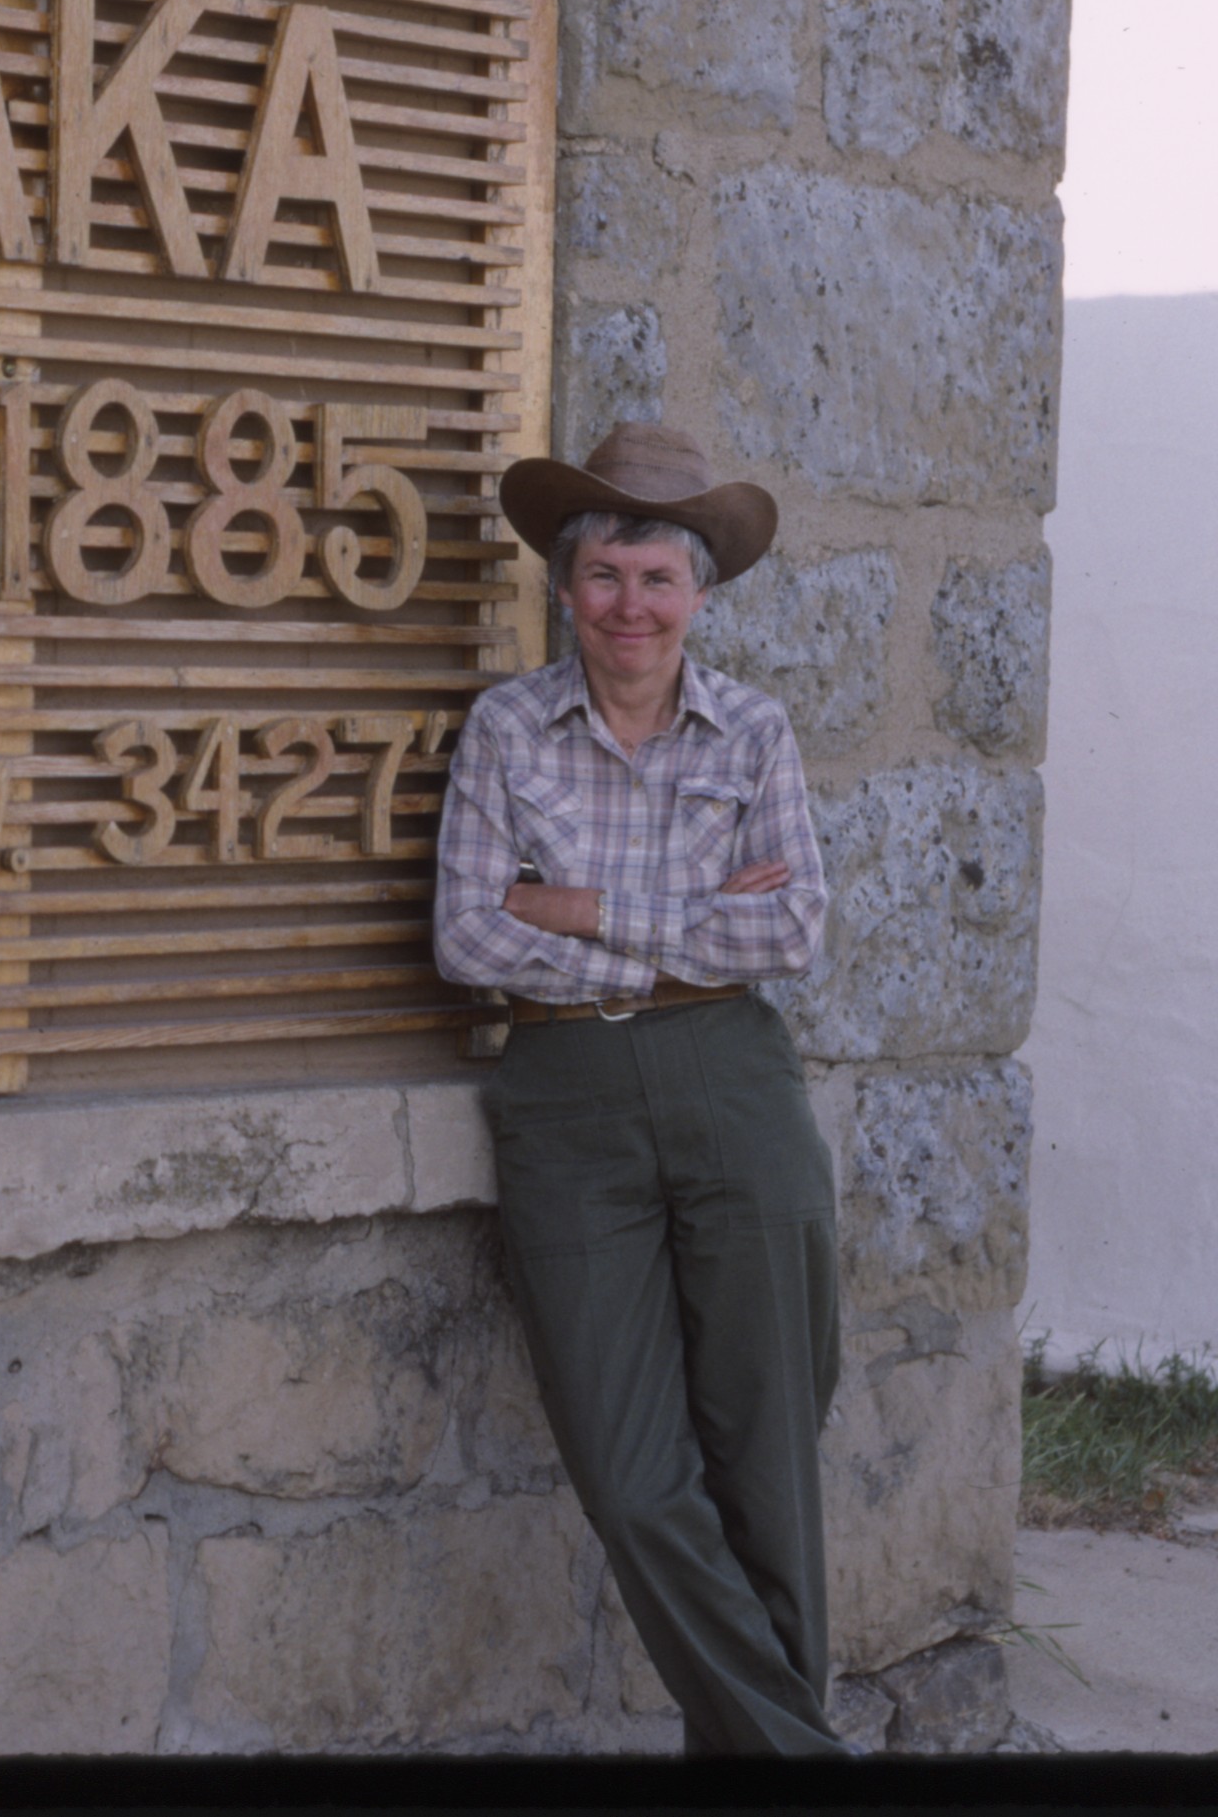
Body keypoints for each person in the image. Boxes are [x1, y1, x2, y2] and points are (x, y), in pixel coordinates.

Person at [432, 419, 846, 1758]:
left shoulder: (755, 732)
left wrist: (586, 903)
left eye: (657, 578)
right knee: (627, 1468)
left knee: (767, 1447)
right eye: (605, 574)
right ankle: (804, 1754)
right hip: (565, 1094)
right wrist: (685, 909)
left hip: (732, 1071)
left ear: (700, 594)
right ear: (567, 588)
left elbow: (788, 934)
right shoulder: (505, 728)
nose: (630, 605)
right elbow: (473, 938)